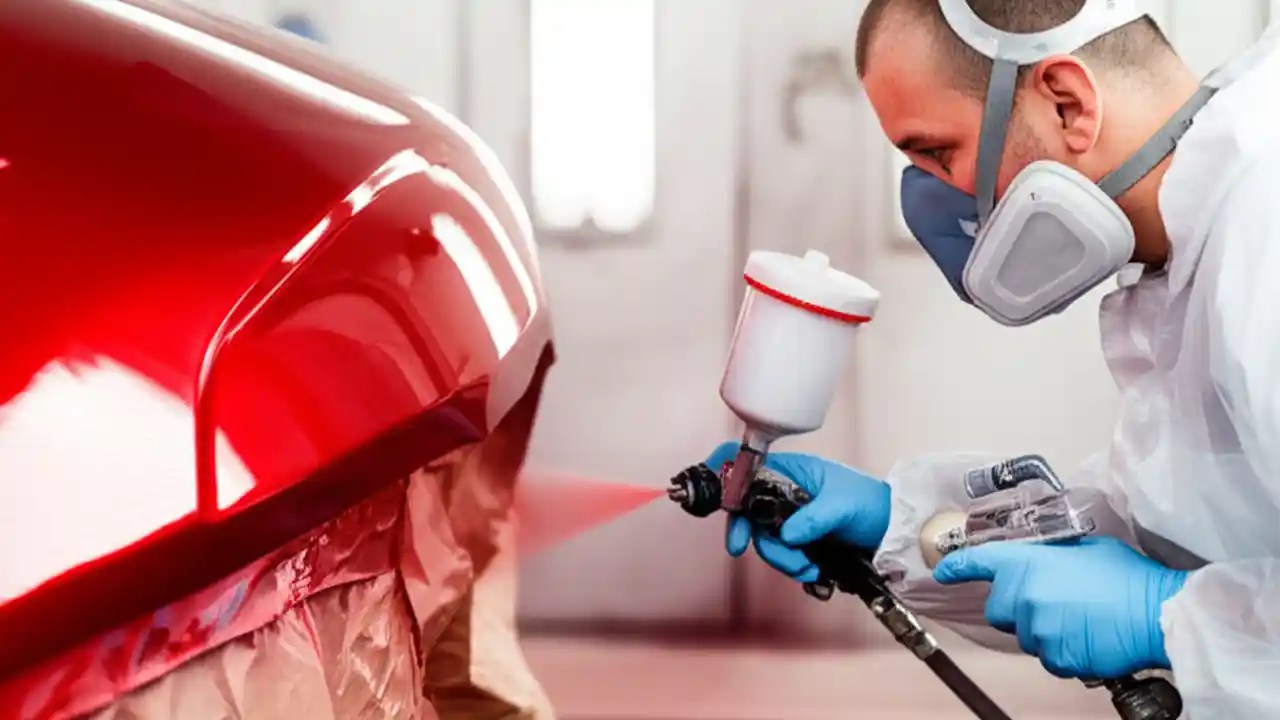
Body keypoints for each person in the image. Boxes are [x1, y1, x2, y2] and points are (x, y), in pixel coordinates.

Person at [708, 1, 1280, 716]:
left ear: (1068, 105)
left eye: (937, 153)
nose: (929, 202)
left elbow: (1155, 588)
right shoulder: (1188, 248)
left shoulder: (1264, 226)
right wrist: (897, 525)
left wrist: (1170, 615)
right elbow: (1167, 533)